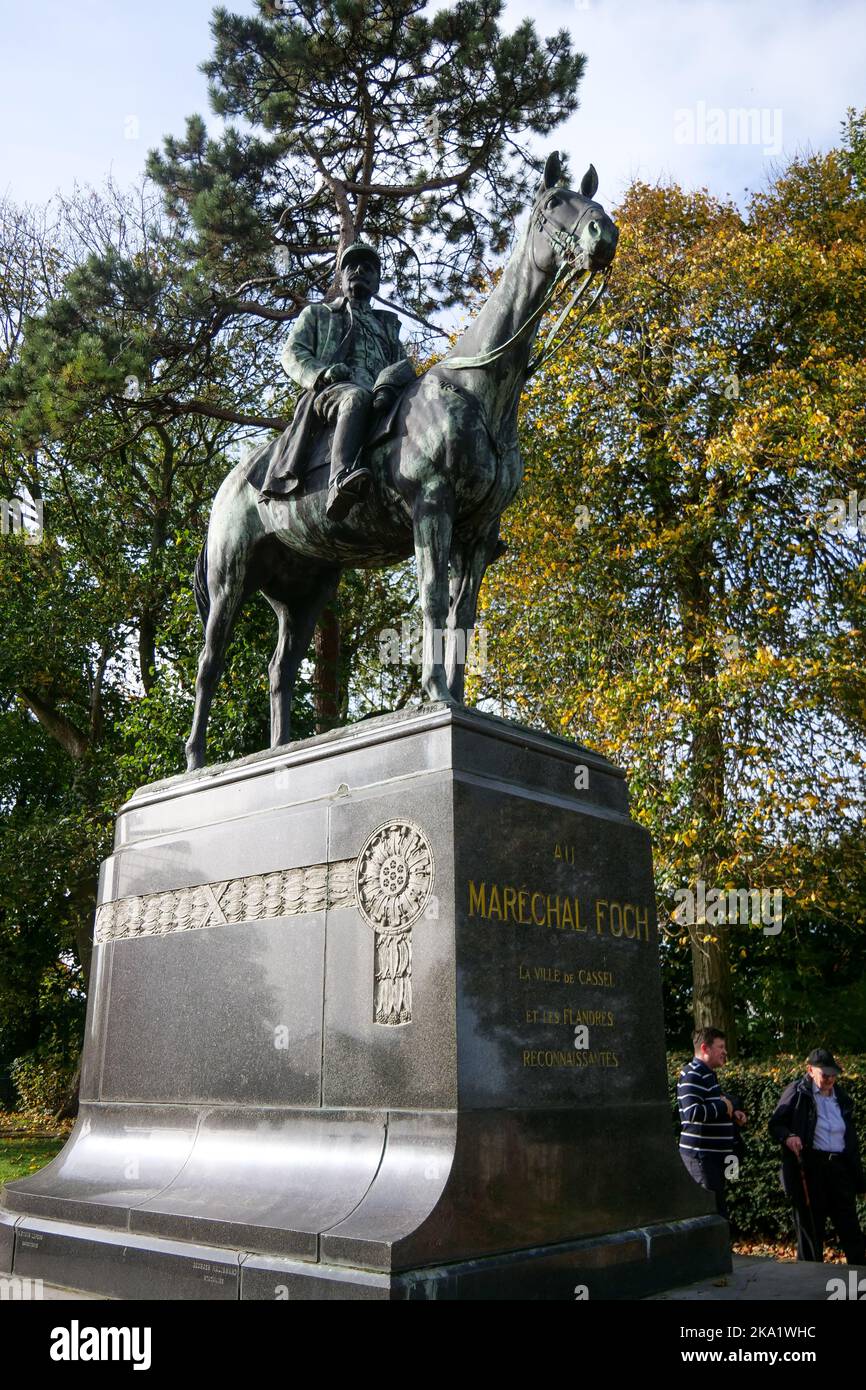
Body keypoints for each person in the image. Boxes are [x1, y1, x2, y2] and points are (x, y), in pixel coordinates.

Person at [256, 241, 416, 520]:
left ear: (377, 284)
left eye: (368, 268)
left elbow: (403, 366)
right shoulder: (319, 315)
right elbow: (292, 354)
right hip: (333, 393)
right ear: (341, 279)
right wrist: (322, 374)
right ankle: (339, 481)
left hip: (383, 397)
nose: (359, 271)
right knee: (356, 397)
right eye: (351, 266)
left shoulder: (387, 328)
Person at [769, 1048, 866, 1264]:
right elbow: (776, 1124)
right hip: (811, 1168)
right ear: (810, 1070)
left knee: (850, 1227)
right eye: (825, 1074)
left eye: (833, 1074)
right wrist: (789, 1136)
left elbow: (849, 1138)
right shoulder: (797, 1091)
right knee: (811, 1229)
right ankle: (810, 1282)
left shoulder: (841, 1097)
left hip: (839, 1168)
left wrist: (857, 1177)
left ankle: (860, 1279)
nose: (830, 1078)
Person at [677, 1027, 747, 1220]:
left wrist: (733, 1114)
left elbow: (713, 1106)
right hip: (701, 1158)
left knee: (718, 1213)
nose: (725, 1051)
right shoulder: (692, 1075)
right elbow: (692, 1113)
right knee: (711, 1216)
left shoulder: (708, 1074)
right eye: (721, 1047)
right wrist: (724, 1107)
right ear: (705, 1049)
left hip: (714, 1159)